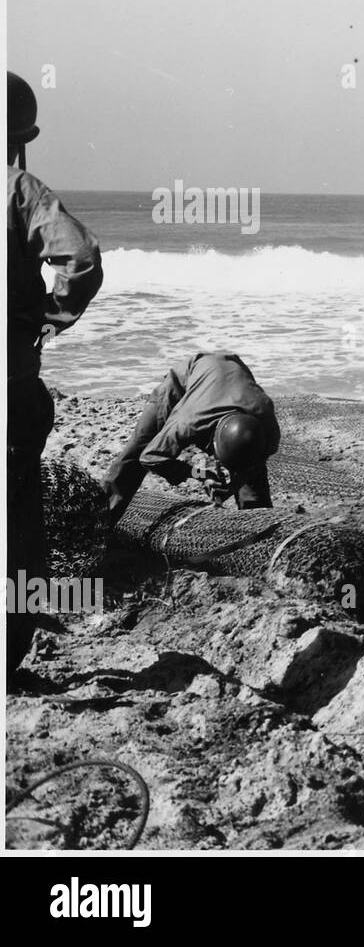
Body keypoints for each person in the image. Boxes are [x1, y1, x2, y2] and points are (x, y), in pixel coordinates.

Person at [7, 71, 104, 676]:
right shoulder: (17, 189)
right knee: (17, 527)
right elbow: (81, 257)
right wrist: (48, 316)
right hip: (9, 389)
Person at [103, 353, 280, 523]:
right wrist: (200, 474)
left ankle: (259, 528)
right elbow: (151, 458)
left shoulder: (267, 423)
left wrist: (234, 484)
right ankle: (98, 521)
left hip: (231, 375)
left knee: (250, 469)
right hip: (183, 382)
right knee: (134, 455)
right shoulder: (188, 421)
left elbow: (254, 464)